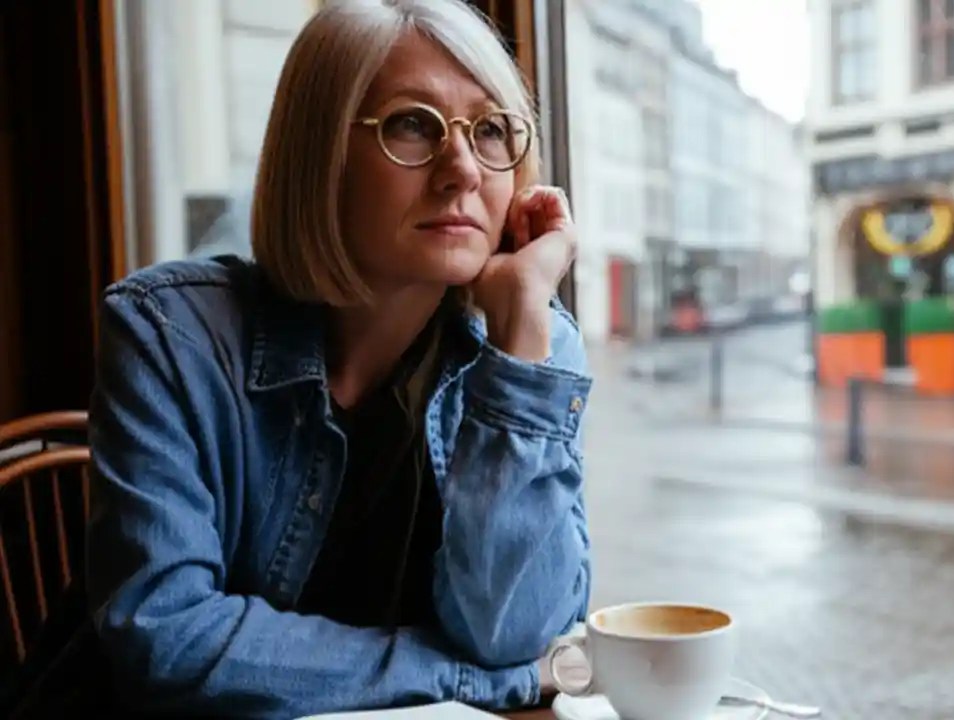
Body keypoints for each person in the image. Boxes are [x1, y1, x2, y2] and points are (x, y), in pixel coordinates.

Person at [86, 0, 591, 716]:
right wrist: (465, 679)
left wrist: (520, 353)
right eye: (412, 124)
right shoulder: (171, 334)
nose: (462, 170)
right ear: (320, 151)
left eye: (490, 131)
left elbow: (516, 633)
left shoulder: (528, 341)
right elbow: (166, 639)